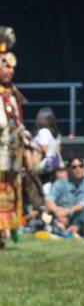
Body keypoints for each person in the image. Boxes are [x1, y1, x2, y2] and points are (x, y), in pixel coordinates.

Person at [0, 30, 26, 244]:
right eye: (5, 66)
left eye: (11, 67)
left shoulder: (11, 92)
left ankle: (8, 230)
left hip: (11, 150)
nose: (9, 71)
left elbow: (15, 121)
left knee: (10, 188)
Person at [45, 157, 84, 231]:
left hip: (80, 219)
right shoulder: (59, 183)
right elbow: (49, 200)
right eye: (74, 167)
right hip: (61, 217)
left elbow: (83, 205)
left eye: (81, 166)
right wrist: (57, 211)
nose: (78, 169)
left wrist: (66, 212)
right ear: (69, 170)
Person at [33, 108, 63, 179]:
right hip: (54, 162)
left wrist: (32, 145)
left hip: (44, 164)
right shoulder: (56, 133)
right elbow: (59, 150)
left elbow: (45, 149)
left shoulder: (43, 131)